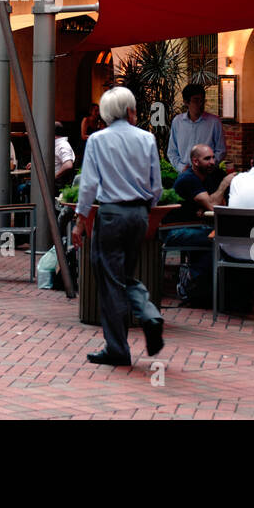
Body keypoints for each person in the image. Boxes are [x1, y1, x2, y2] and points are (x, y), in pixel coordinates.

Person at [72, 86, 164, 367]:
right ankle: (147, 313)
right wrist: (145, 208)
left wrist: (80, 221)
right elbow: (156, 186)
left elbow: (88, 185)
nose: (136, 113)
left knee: (110, 281)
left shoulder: (98, 140)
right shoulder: (147, 138)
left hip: (111, 214)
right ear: (128, 111)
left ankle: (118, 348)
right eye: (134, 108)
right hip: (139, 213)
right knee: (124, 274)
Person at [164, 143, 231, 306]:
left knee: (216, 237)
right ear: (195, 161)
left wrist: (207, 203)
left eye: (213, 157)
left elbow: (217, 204)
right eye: (207, 158)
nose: (213, 161)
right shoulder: (188, 179)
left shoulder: (207, 178)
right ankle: (192, 285)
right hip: (174, 231)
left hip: (194, 226)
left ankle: (202, 291)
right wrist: (224, 184)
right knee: (218, 238)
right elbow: (214, 207)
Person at [167, 83, 225, 173]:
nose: (200, 104)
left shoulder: (214, 122)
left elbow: (221, 150)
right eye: (196, 100)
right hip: (185, 173)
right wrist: (181, 167)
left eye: (202, 100)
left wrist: (208, 165)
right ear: (186, 102)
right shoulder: (177, 122)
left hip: (208, 174)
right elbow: (172, 151)